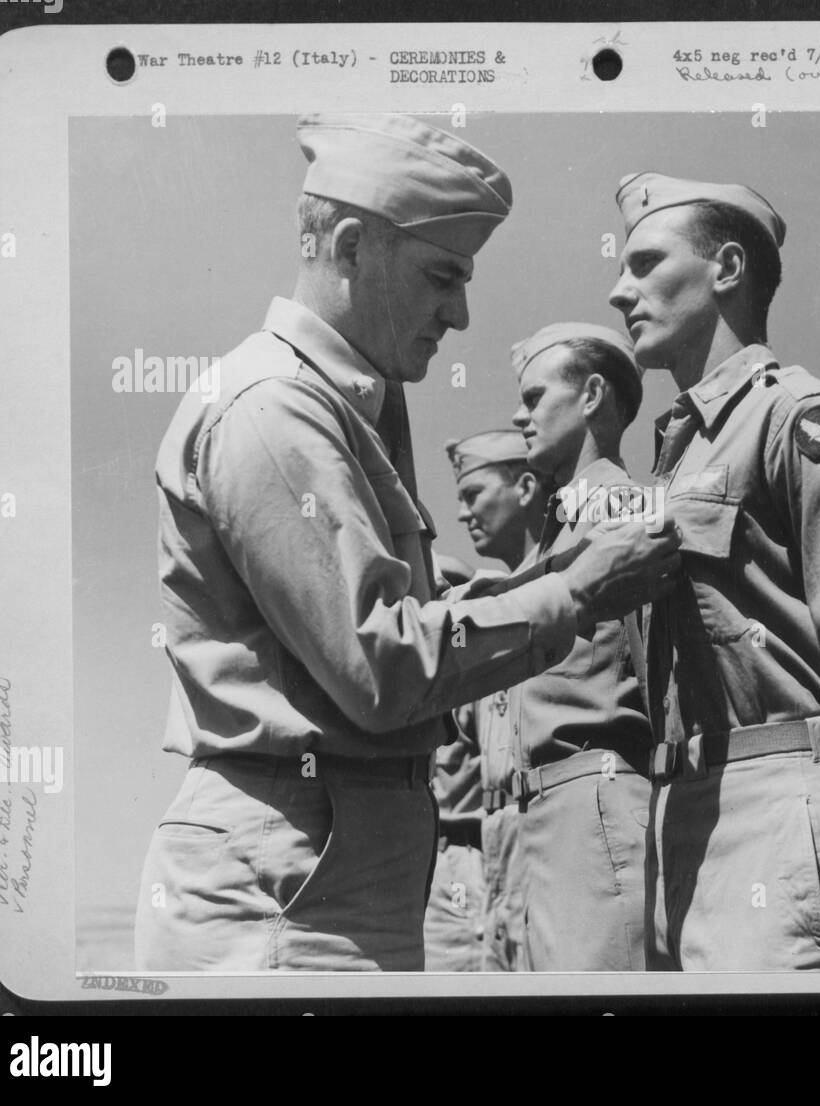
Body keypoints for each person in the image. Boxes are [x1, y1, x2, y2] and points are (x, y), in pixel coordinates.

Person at [132, 113, 679, 973]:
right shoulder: (276, 410)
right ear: (351, 247)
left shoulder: (346, 405)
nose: (458, 314)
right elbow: (381, 667)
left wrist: (561, 573)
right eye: (441, 276)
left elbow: (398, 627)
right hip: (288, 889)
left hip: (329, 867)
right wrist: (576, 593)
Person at [607, 172, 820, 971]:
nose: (618, 290)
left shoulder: (808, 422)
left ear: (726, 269)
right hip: (681, 824)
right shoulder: (679, 455)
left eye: (646, 263)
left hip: (781, 822)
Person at [506, 323, 655, 971]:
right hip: (540, 815)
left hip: (596, 807)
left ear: (592, 395)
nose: (520, 414)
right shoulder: (561, 527)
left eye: (536, 397)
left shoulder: (623, 514)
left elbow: (664, 681)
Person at [423, 430, 547, 972]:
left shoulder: (551, 597)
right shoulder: (467, 602)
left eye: (474, 495)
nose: (463, 513)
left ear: (524, 487)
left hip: (522, 841)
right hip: (449, 852)